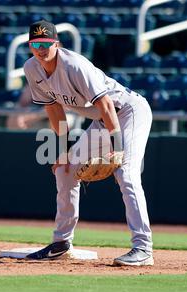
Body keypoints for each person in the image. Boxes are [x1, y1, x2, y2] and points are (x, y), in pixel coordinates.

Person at [23, 20, 153, 266]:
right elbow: (54, 110)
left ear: (57, 44)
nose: (41, 48)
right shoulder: (32, 69)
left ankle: (143, 247)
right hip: (101, 121)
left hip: (127, 112)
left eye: (46, 43)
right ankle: (61, 243)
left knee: (126, 172)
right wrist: (62, 151)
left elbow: (105, 105)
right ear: (30, 46)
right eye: (36, 43)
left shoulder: (75, 65)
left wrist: (117, 144)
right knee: (65, 169)